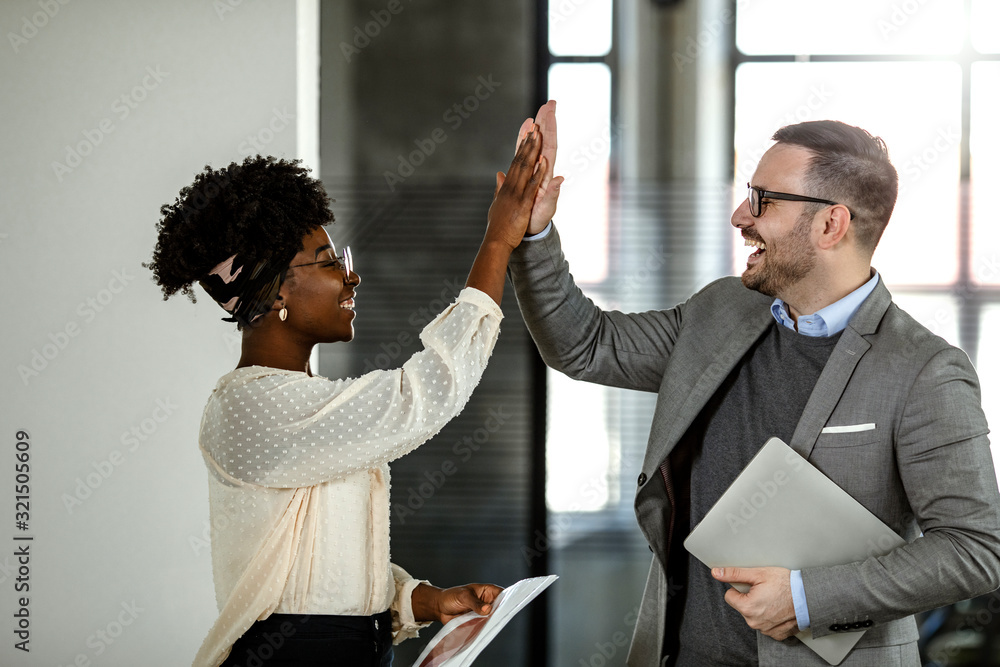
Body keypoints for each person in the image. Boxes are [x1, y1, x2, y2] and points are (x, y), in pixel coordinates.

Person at [508, 102, 1000, 666]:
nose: (742, 215)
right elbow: (586, 345)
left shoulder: (925, 370)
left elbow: (975, 548)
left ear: (830, 224)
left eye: (763, 200)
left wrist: (808, 599)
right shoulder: (723, 311)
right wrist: (536, 229)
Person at [146, 124, 552, 666]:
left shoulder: (303, 405)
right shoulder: (249, 408)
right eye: (328, 259)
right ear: (277, 289)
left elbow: (322, 565)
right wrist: (498, 241)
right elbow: (423, 395)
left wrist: (420, 599)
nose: (350, 277)